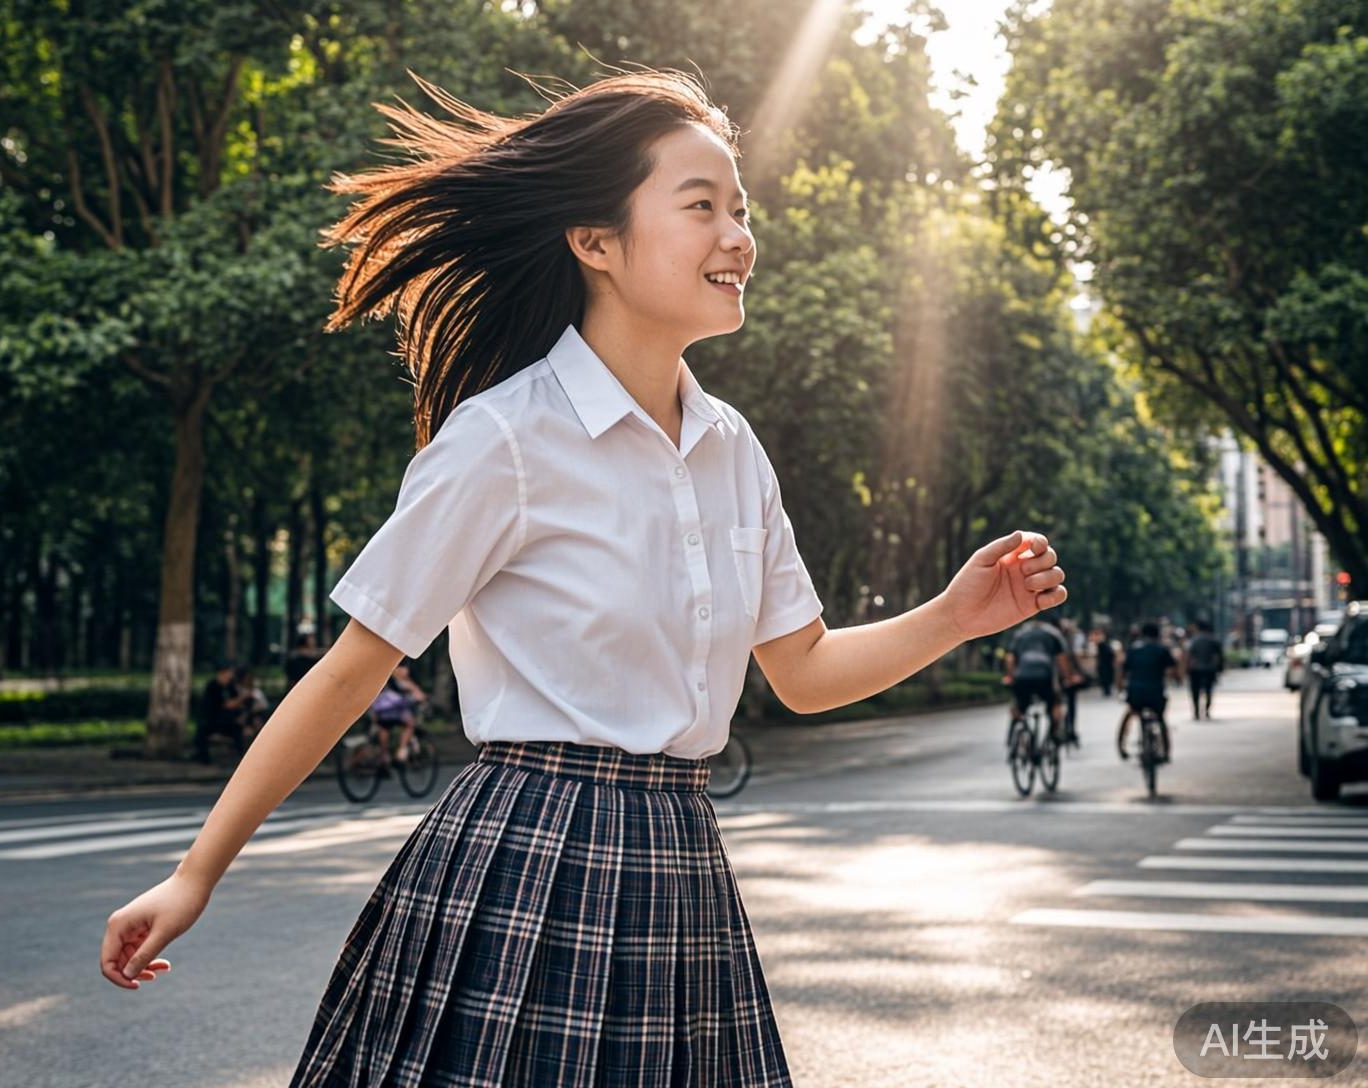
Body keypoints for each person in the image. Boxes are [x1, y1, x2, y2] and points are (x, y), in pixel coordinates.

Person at [98, 71, 1070, 1085]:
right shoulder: (505, 439)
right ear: (594, 240)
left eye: (740, 209)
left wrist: (956, 615)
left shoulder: (732, 448)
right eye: (700, 207)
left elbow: (804, 670)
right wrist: (194, 872)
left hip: (682, 864)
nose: (738, 237)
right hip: (527, 859)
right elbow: (351, 670)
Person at [1004, 618, 1080, 749]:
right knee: (1055, 704)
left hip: (1023, 677)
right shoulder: (1053, 634)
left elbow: (1010, 658)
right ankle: (1055, 733)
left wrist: (1010, 676)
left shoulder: (1021, 633)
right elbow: (1062, 660)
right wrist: (1068, 678)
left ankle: (1015, 733)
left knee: (1019, 705)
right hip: (1044, 677)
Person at [1118, 621, 1180, 763]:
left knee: (1129, 715)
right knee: (1161, 718)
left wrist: (1120, 688)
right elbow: (1172, 671)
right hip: (1156, 693)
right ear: (1157, 634)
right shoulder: (1162, 649)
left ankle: (1121, 746)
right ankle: (1166, 751)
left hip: (1135, 693)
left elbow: (1123, 669)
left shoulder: (1133, 649)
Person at [367, 662, 429, 763]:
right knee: (410, 724)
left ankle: (384, 754)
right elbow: (420, 696)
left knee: (384, 727)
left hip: (381, 712)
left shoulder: (385, 678)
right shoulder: (401, 681)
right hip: (395, 712)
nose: (405, 671)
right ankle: (402, 750)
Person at [194, 660, 247, 765]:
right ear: (223, 673)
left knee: (237, 730)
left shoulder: (230, 686)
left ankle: (243, 759)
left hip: (227, 720)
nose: (231, 675)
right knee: (202, 732)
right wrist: (241, 698)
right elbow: (227, 704)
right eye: (229, 672)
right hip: (212, 719)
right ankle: (204, 759)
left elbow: (235, 702)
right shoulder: (213, 686)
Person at [1183, 619, 1225, 720]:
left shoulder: (1193, 640)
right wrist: (1220, 668)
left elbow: (1188, 656)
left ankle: (1196, 712)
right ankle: (1206, 711)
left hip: (1195, 669)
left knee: (1195, 691)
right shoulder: (1213, 640)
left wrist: (1186, 669)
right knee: (1209, 690)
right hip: (1209, 669)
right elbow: (1219, 657)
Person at [233, 665, 271, 743]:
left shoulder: (254, 690)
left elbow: (263, 705)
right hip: (248, 716)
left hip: (258, 714)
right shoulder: (237, 690)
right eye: (247, 678)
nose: (249, 680)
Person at [1093, 626, 1117, 696]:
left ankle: (1107, 690)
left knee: (1106, 677)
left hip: (1106, 663)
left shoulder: (1104, 644)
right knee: (1105, 678)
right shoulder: (1101, 645)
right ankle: (1106, 690)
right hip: (1104, 664)